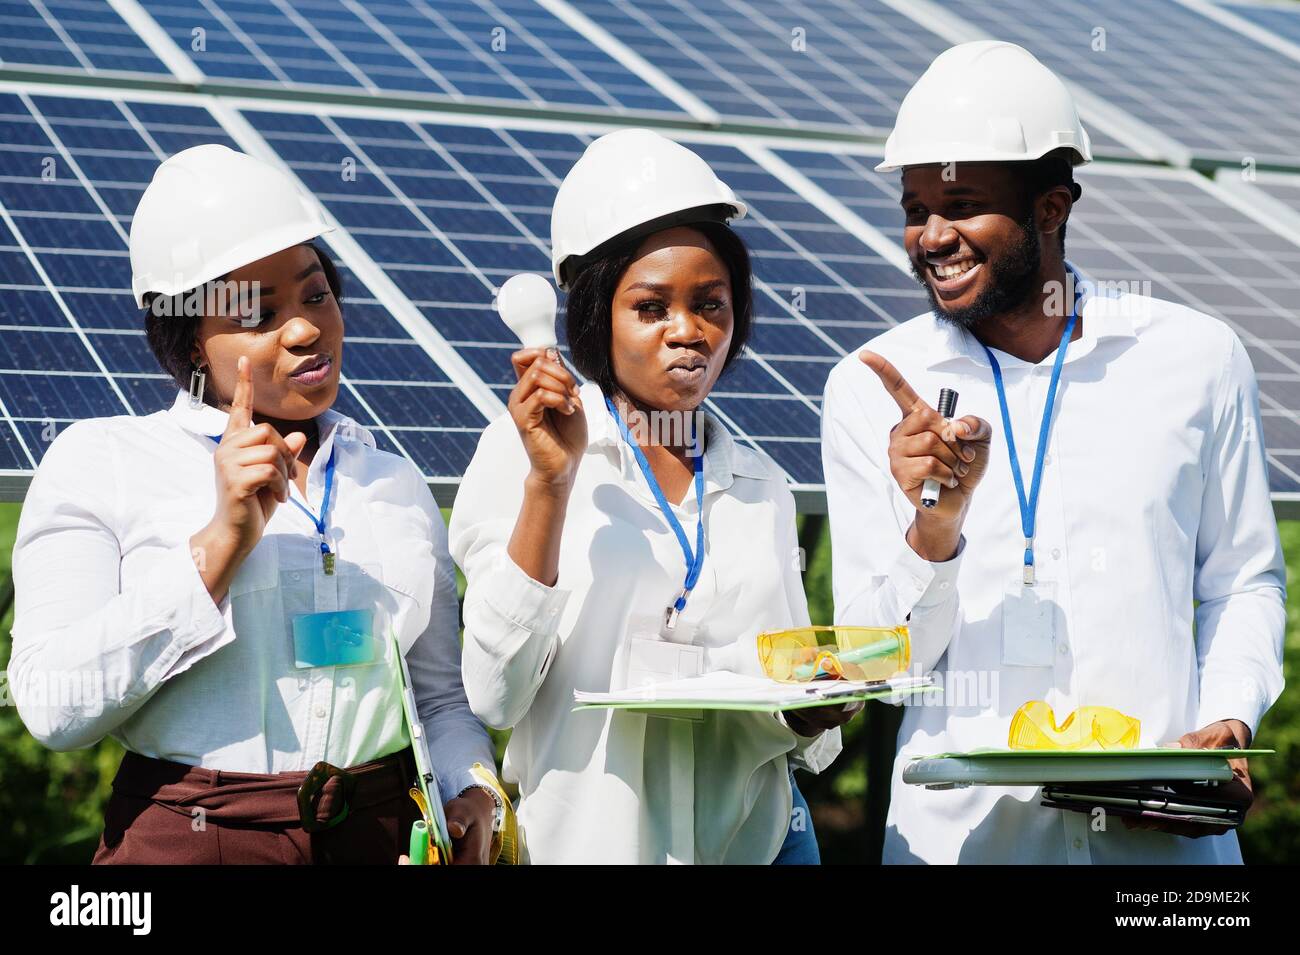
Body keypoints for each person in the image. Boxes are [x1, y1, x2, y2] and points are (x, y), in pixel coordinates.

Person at [821, 41, 1285, 864]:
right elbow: (872, 659)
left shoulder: (1196, 359)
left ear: (1051, 208)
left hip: (1163, 852)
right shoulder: (868, 390)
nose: (931, 236)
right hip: (959, 842)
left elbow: (1242, 578)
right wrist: (935, 524)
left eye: (960, 204)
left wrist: (1228, 719)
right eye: (914, 206)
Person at [9, 144, 503, 864]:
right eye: (260, 311)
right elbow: (54, 707)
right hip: (192, 837)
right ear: (192, 340)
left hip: (380, 836)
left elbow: (439, 701)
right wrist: (220, 544)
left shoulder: (392, 482)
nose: (305, 327)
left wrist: (476, 791)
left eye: (315, 293)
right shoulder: (101, 461)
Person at [449, 129, 854, 864]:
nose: (689, 332)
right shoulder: (521, 456)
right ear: (598, 315)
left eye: (711, 303)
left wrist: (813, 710)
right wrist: (551, 482)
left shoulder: (761, 485)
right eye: (651, 307)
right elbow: (494, 696)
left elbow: (798, 721)